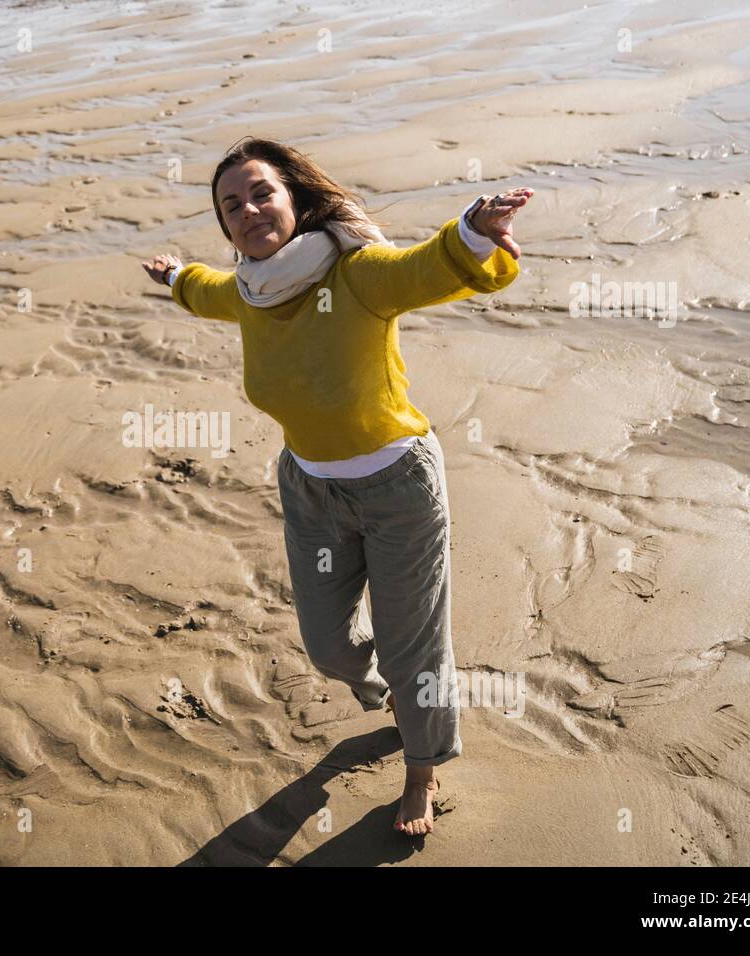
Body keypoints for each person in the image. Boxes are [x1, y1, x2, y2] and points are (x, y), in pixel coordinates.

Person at [141, 137, 532, 838]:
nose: (250, 210)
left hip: (397, 488)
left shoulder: (356, 274)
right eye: (232, 205)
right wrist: (174, 278)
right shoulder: (250, 290)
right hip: (310, 492)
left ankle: (422, 767)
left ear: (294, 198)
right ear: (227, 226)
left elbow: (424, 270)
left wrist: (474, 233)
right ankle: (394, 696)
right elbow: (206, 292)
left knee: (414, 645)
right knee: (327, 647)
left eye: (262, 192)